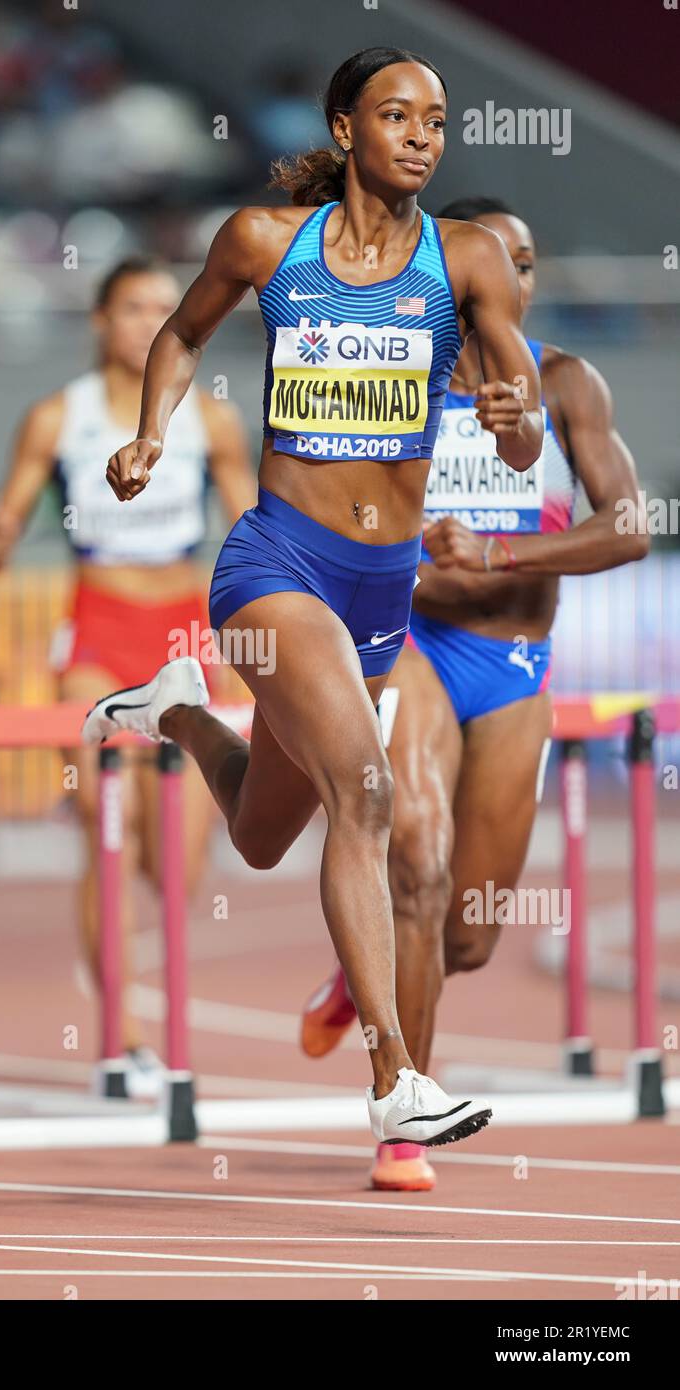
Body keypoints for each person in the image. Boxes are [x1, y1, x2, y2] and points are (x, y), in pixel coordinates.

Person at [83, 48, 545, 1148]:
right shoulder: (263, 242)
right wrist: (153, 432)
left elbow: (524, 438)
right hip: (277, 565)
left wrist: (510, 416)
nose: (423, 136)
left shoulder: (468, 259)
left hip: (380, 588)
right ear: (345, 131)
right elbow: (184, 332)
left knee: (257, 830)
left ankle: (177, 712)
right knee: (369, 794)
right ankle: (394, 1075)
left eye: (437, 120)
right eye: (397, 115)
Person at [300, 196, 649, 1189]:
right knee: (415, 862)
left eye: (529, 265)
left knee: (469, 930)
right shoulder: (383, 379)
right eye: (494, 263)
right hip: (406, 639)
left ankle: (353, 971)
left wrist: (497, 549)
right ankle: (401, 1117)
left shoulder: (566, 383)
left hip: (511, 666)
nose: (515, 283)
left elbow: (628, 525)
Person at [0, 255, 256, 1096]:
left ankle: (124, 971)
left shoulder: (210, 420)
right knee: (111, 826)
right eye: (134, 308)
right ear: (101, 320)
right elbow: (7, 519)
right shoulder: (57, 417)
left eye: (164, 310)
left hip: (184, 633)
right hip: (97, 630)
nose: (149, 323)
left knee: (182, 854)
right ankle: (121, 1034)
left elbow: (250, 530)